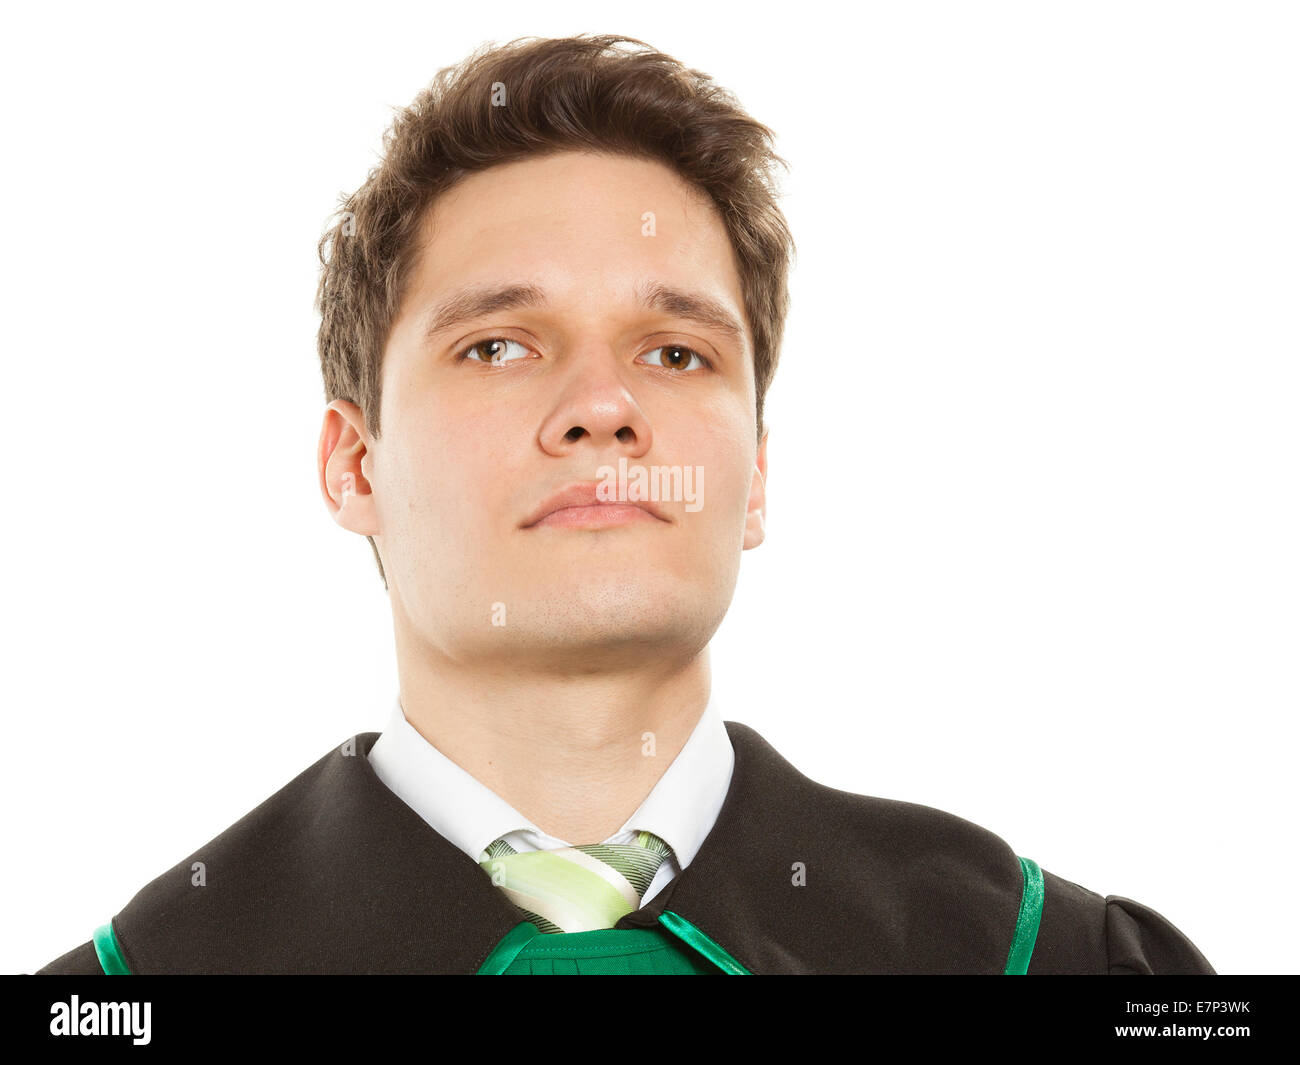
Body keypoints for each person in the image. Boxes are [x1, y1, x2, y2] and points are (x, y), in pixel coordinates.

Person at [37, 33, 1213, 976]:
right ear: (353, 466)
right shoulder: (143, 982)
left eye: (676, 353)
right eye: (499, 346)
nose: (601, 407)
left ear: (752, 473)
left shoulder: (1052, 963)